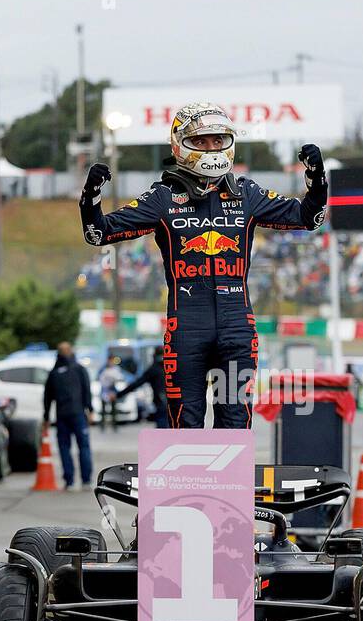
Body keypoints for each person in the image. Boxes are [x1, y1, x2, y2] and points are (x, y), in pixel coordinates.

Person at [80, 102, 327, 428]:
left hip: (237, 328)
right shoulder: (163, 197)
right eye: (200, 141)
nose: (210, 148)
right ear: (178, 145)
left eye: (217, 140)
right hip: (186, 330)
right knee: (186, 424)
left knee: (235, 422)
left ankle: (232, 480)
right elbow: (99, 233)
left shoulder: (246, 193)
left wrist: (317, 180)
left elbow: (308, 217)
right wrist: (91, 197)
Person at [43, 342, 94, 490]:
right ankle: (86, 480)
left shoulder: (54, 373)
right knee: (83, 446)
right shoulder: (79, 369)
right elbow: (87, 391)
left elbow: (47, 397)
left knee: (64, 448)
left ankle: (69, 480)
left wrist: (46, 417)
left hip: (62, 415)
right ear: (71, 351)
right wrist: (90, 410)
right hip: (78, 413)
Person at [113, 346, 169, 428]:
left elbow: (136, 384)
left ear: (154, 355)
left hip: (161, 403)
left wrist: (118, 395)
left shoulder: (154, 369)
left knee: (162, 431)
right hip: (174, 403)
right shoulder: (171, 368)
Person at [97, 354, 127, 431]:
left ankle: (114, 425)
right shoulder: (103, 368)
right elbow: (100, 378)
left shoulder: (116, 368)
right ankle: (102, 426)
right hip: (104, 390)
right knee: (103, 410)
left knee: (114, 409)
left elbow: (120, 377)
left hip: (112, 390)